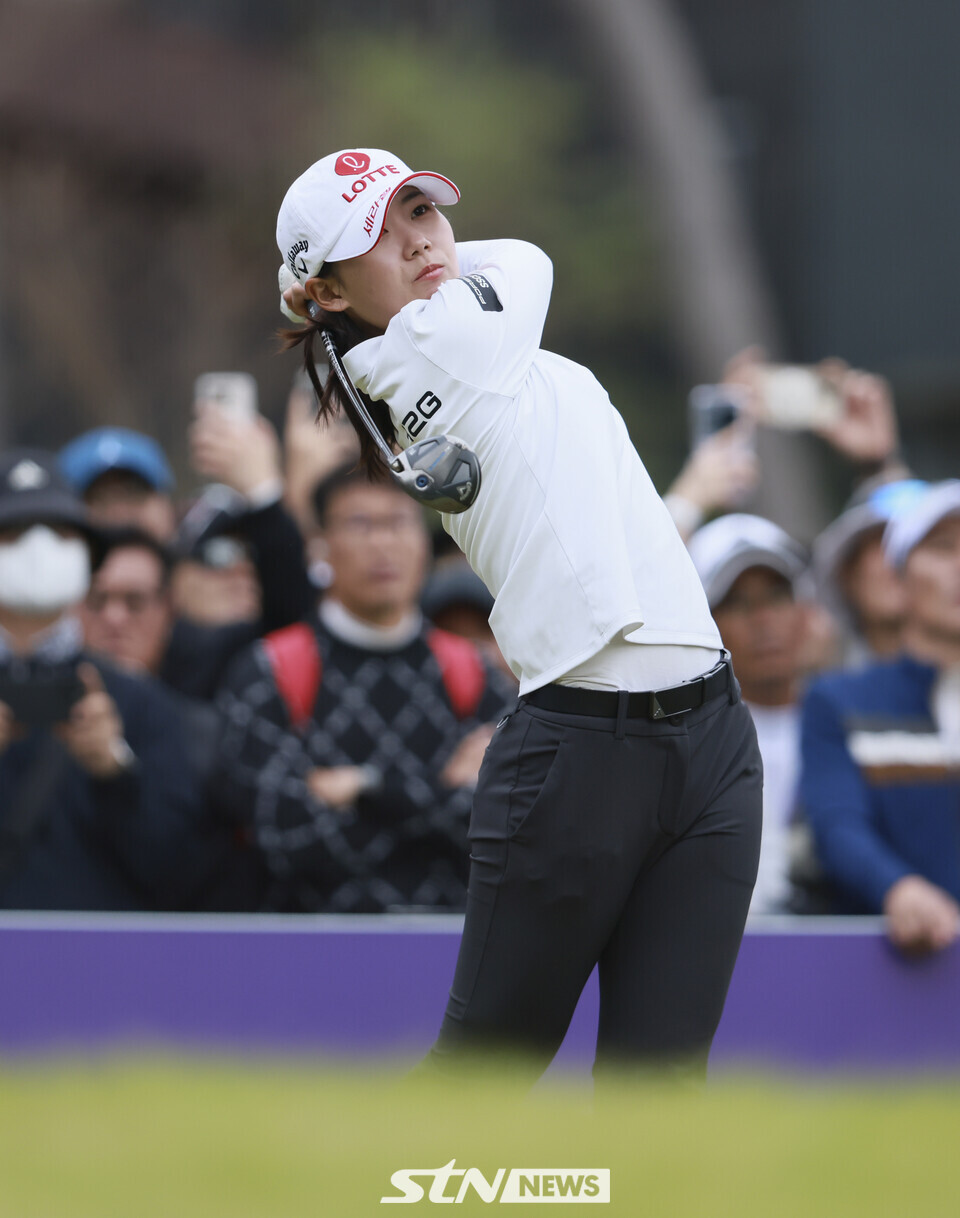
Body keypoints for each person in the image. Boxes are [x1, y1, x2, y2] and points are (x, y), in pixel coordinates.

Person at [275, 147, 762, 1079]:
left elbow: (483, 269)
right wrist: (324, 281)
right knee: (483, 1076)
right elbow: (529, 256)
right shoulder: (435, 349)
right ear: (330, 292)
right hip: (578, 758)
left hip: (712, 741)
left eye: (423, 211)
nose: (420, 240)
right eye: (378, 233)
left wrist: (319, 281)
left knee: (660, 1087)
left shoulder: (470, 341)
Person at [213, 462, 513, 912]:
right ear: (321, 547)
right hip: (309, 956)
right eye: (361, 524)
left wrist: (362, 789)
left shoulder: (473, 671)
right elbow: (282, 835)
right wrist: (439, 795)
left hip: (448, 955)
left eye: (398, 522)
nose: (383, 543)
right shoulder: (268, 671)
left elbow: (505, 826)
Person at [0, 450, 217, 910]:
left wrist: (115, 770)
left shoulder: (138, 703)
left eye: (59, 535)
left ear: (86, 559)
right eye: (14, 534)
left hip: (101, 969)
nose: (37, 551)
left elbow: (184, 874)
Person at [799, 480, 960, 954]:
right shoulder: (839, 701)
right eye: (944, 548)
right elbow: (838, 826)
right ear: (899, 578)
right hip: (885, 986)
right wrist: (897, 886)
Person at [687, 514, 815, 914]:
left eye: (777, 597)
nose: (764, 621)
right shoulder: (684, 743)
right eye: (739, 603)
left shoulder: (851, 722)